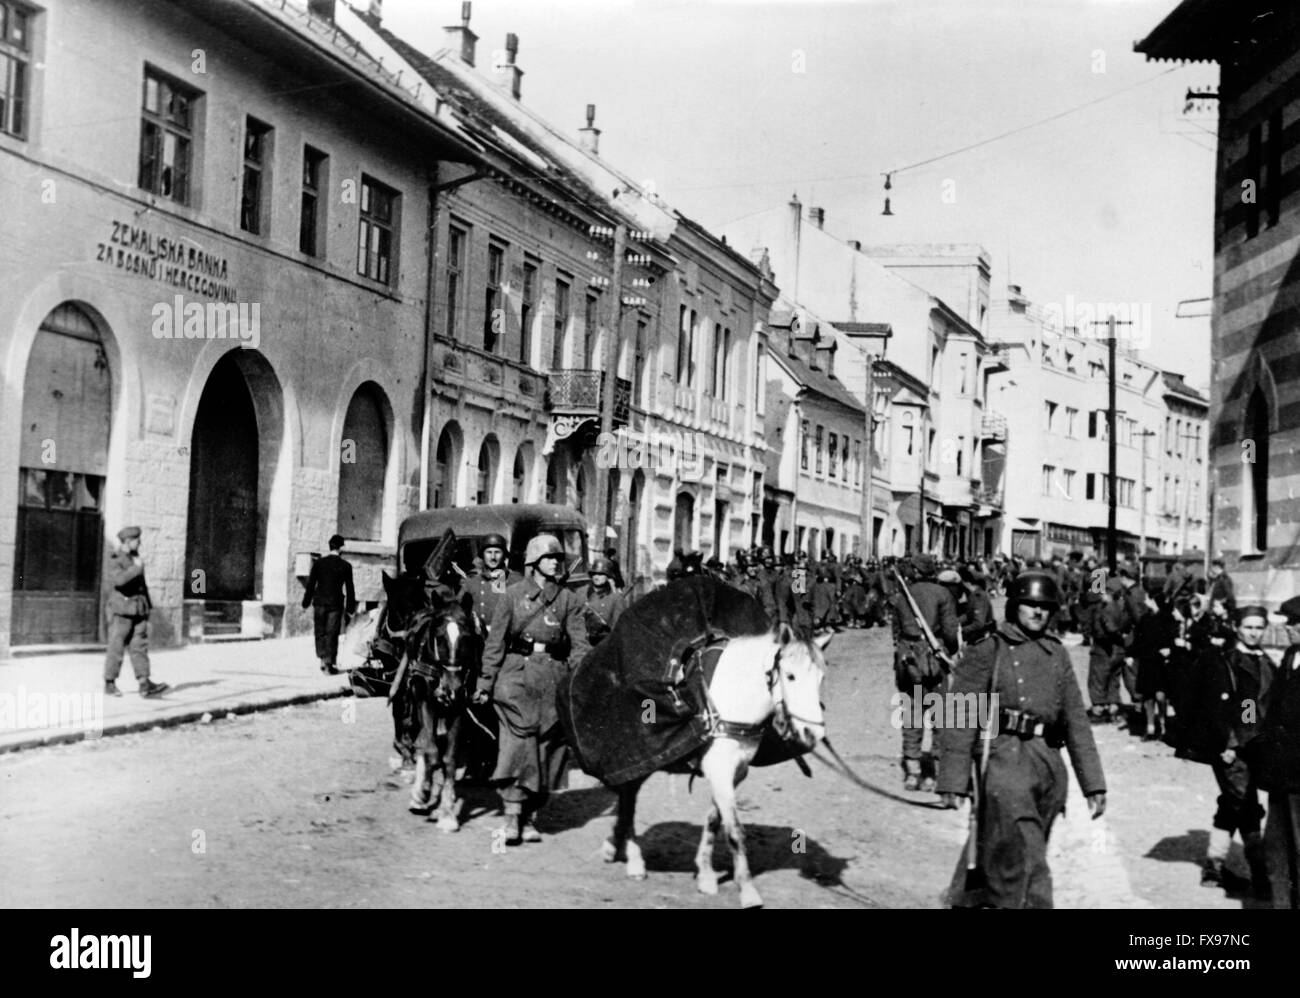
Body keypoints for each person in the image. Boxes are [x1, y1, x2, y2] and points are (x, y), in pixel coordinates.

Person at [937, 571, 1107, 908]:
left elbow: (1076, 721)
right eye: (1029, 604)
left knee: (1009, 852)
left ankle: (968, 900)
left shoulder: (1056, 653)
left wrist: (1094, 783)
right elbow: (958, 716)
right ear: (1015, 606)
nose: (1037, 612)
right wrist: (953, 780)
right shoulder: (990, 649)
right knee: (1027, 862)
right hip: (1003, 761)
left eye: (1044, 606)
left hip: (1048, 766)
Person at [474, 534, 591, 845]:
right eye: (549, 558)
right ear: (534, 563)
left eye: (558, 559)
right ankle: (512, 814)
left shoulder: (569, 600)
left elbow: (579, 645)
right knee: (519, 741)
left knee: (548, 747)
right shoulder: (512, 596)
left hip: (553, 677)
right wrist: (486, 682)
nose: (556, 563)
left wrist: (579, 679)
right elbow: (495, 643)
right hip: (516, 675)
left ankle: (531, 815)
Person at [1177, 604, 1274, 896]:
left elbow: (1255, 708)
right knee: (1246, 805)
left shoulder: (1266, 661)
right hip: (1233, 748)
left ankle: (1213, 868)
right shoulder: (1226, 660)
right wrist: (1231, 742)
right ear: (1236, 627)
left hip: (1256, 746)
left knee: (1234, 804)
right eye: (1248, 627)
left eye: (1259, 627)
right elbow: (1221, 707)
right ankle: (1260, 876)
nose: (1254, 633)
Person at [890, 553, 960, 792]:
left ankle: (913, 771)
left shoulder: (902, 597)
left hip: (908, 659)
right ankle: (936, 773)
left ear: (916, 572)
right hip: (934, 658)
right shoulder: (943, 594)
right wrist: (950, 652)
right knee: (938, 714)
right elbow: (951, 632)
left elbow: (895, 631)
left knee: (911, 712)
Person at [1248, 638, 1300, 908]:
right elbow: (1253, 702)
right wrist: (1246, 733)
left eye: (1294, 621)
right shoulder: (1288, 656)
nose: (1288, 628)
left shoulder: (1278, 659)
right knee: (1276, 845)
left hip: (1293, 771)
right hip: (1273, 767)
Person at [103, 526, 168, 698]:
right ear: (128, 541)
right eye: (137, 540)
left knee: (139, 646)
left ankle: (144, 683)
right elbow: (119, 581)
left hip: (138, 610)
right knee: (116, 646)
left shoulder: (135, 558)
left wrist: (148, 607)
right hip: (122, 610)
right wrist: (136, 568)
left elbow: (142, 587)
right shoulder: (115, 558)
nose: (139, 543)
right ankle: (110, 683)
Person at [301, 534, 356, 674]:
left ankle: (322, 659)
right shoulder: (346, 566)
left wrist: (306, 602)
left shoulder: (319, 563)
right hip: (335, 604)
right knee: (332, 633)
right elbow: (350, 588)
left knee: (320, 631)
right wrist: (350, 608)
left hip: (319, 603)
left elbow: (311, 584)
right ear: (341, 548)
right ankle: (329, 663)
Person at [458, 533, 516, 634]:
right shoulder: (471, 583)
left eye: (497, 552)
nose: (493, 557)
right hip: (478, 641)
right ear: (482, 555)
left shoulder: (516, 580)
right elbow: (457, 611)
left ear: (504, 555)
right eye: (489, 552)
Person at [582, 556, 626, 646]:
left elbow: (617, 629)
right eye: (594, 574)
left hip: (604, 645)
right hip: (584, 644)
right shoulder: (583, 594)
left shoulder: (616, 598)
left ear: (608, 577)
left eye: (601, 574)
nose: (596, 577)